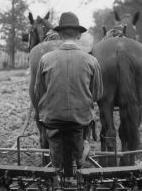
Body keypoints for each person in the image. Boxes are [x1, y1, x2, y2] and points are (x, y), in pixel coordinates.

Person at [34, 12, 103, 176]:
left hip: (52, 120)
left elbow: (38, 93)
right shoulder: (92, 61)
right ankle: (80, 154)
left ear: (59, 34)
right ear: (79, 34)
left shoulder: (45, 59)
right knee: (80, 131)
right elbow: (98, 94)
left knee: (56, 149)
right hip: (80, 120)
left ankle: (56, 161)